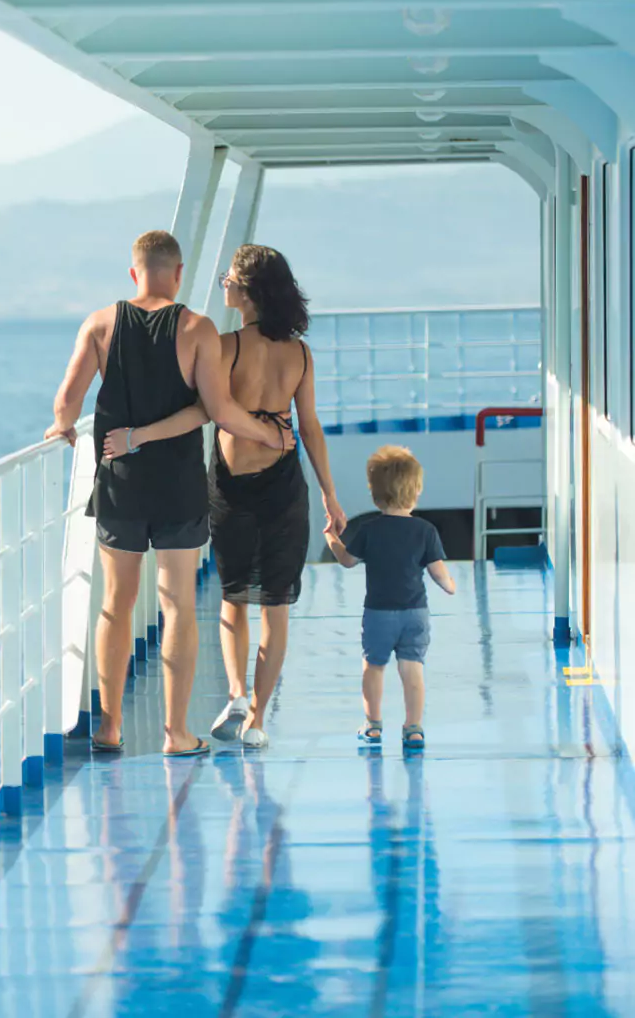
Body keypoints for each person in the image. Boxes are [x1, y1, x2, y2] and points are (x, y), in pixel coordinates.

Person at [45, 230, 290, 758]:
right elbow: (220, 411)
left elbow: (67, 402)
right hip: (178, 487)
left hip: (120, 482)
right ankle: (176, 734)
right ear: (178, 274)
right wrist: (270, 433)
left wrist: (62, 427)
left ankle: (108, 727)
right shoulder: (198, 329)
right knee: (177, 605)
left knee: (115, 603)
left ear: (134, 273)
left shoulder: (100, 324)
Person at [103, 245, 345, 750]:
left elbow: (203, 412)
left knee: (233, 600)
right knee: (275, 606)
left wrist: (138, 435)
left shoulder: (227, 345)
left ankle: (237, 693)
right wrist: (330, 495)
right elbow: (311, 429)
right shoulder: (300, 353)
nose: (224, 286)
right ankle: (255, 718)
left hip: (232, 484)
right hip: (285, 483)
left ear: (249, 290)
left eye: (229, 279)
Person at [324, 445, 456, 751]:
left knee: (373, 667)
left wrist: (331, 536)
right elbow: (438, 573)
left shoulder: (369, 530)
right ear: (417, 490)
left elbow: (347, 561)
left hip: (378, 614)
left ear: (375, 494)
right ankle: (413, 728)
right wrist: (450, 585)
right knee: (413, 671)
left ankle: (372, 725)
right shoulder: (426, 530)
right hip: (415, 614)